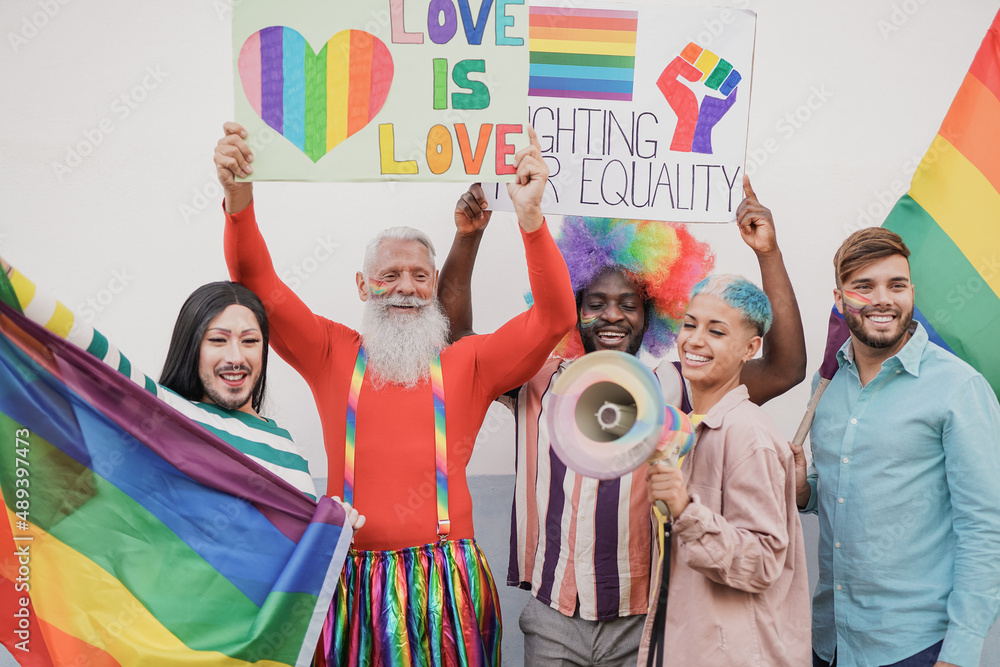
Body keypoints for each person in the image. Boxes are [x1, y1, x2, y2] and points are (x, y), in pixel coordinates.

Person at [214, 122, 576, 665]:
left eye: (418, 276)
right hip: (347, 582)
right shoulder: (331, 352)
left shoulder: (467, 362)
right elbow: (255, 286)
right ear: (363, 286)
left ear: (434, 285)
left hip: (448, 588)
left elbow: (554, 318)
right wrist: (238, 198)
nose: (405, 287)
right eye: (388, 275)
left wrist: (529, 220)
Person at [439, 177, 807, 665]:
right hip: (552, 619)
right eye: (595, 303)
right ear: (573, 311)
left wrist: (769, 253)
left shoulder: (675, 386)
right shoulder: (537, 380)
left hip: (643, 621)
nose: (612, 315)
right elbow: (458, 344)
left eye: (629, 303)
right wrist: (468, 238)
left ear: (652, 313)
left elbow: (786, 369)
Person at [793, 228, 1000, 667]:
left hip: (917, 649)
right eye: (864, 287)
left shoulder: (959, 388)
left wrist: (960, 653)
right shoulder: (825, 385)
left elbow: (985, 530)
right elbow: (837, 483)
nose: (883, 299)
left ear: (911, 292)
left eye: (897, 285)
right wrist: (803, 491)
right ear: (840, 297)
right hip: (828, 640)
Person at [0, 259, 342, 502]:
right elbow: (91, 349)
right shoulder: (170, 415)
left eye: (250, 341)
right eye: (218, 340)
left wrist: (334, 526)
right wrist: (11, 282)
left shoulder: (286, 446)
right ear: (192, 347)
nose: (236, 357)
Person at [638, 274, 810, 666]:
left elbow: (763, 563)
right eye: (690, 324)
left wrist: (685, 511)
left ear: (750, 348)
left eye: (716, 331)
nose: (695, 340)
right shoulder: (692, 426)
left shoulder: (748, 434)